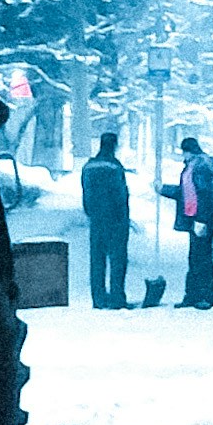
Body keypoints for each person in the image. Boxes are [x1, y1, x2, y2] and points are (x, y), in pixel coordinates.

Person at [163, 133, 213, 306]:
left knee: (201, 258)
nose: (184, 156)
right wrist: (163, 189)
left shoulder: (201, 167)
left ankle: (204, 296)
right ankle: (194, 296)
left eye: (184, 152)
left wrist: (201, 221)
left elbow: (205, 195)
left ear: (188, 151)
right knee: (196, 257)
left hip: (203, 219)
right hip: (198, 218)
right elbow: (185, 193)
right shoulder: (196, 165)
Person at [80, 124, 132, 308]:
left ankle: (99, 298)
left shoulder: (88, 166)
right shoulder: (115, 167)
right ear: (114, 145)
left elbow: (86, 194)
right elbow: (121, 195)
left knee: (97, 260)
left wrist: (91, 212)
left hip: (96, 220)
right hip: (116, 220)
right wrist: (124, 218)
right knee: (117, 260)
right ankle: (117, 298)